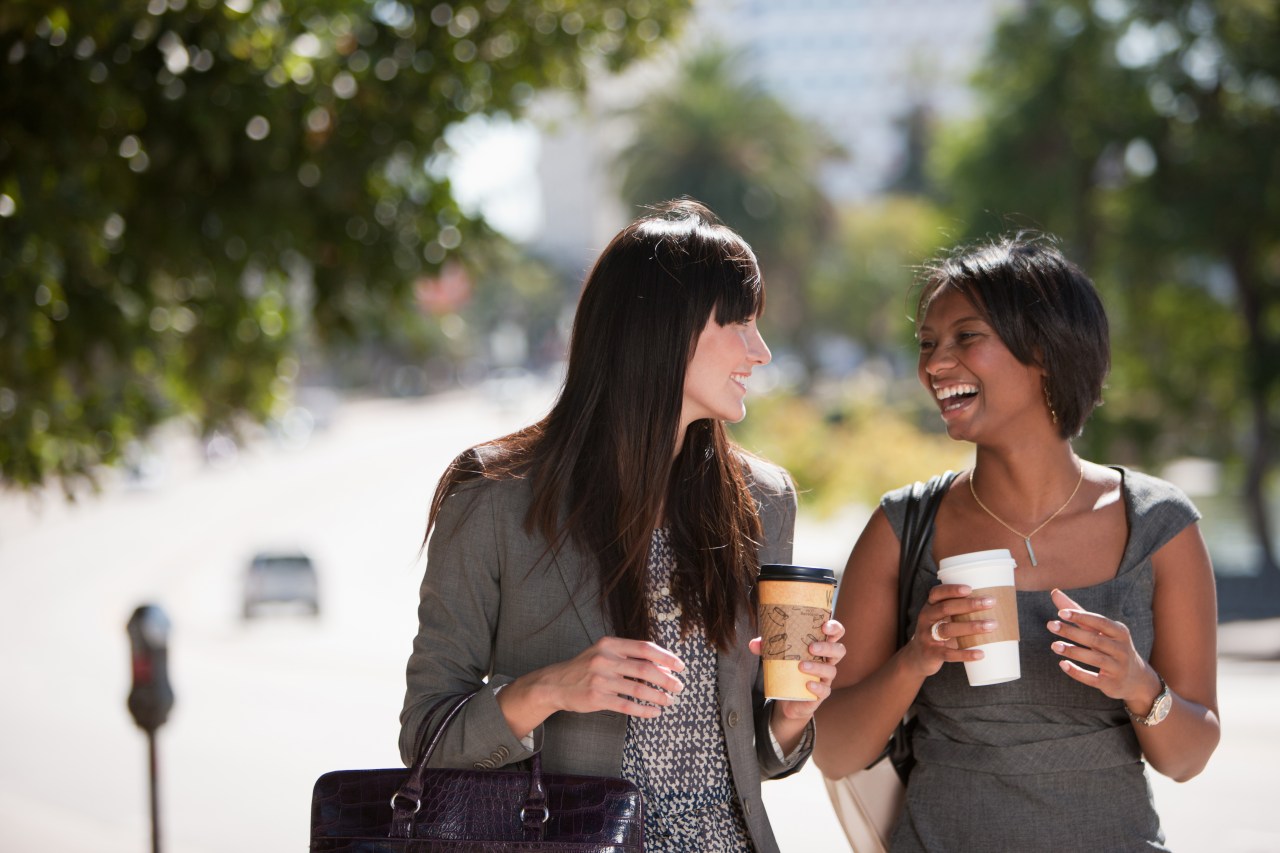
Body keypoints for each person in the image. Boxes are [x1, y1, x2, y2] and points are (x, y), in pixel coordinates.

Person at [400, 199, 846, 853]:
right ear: (664, 328)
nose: (761, 349)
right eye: (740, 323)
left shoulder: (763, 498)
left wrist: (793, 711)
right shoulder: (494, 496)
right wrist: (548, 687)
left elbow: (755, 753)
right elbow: (426, 734)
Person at [813, 234, 1220, 851]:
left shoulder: (1159, 526)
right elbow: (834, 749)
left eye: (966, 337)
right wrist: (917, 658)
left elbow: (1187, 759)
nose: (934, 364)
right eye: (927, 344)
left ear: (1046, 351)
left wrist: (1140, 684)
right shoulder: (901, 529)